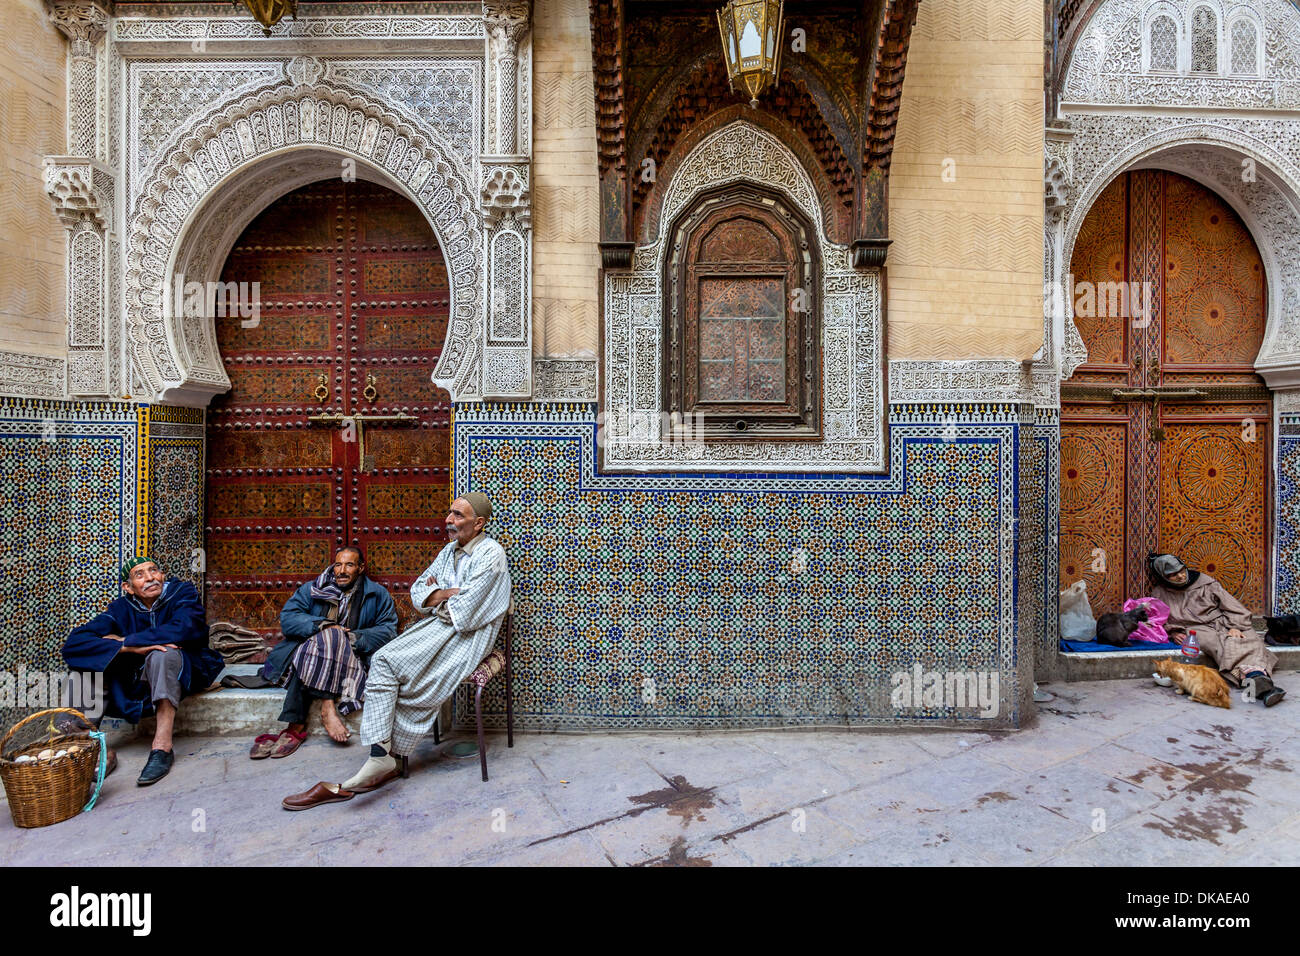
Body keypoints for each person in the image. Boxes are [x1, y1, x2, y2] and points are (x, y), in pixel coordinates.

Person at [283, 492, 510, 810]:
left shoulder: (491, 554)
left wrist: (440, 600)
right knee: (387, 661)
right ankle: (384, 756)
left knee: (386, 660)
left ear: (479, 523)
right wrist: (444, 594)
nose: (449, 520)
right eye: (449, 513)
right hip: (438, 629)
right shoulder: (449, 551)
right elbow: (419, 592)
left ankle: (382, 758)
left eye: (458, 515)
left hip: (468, 637)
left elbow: (468, 612)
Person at [62, 557, 223, 785]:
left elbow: (184, 628)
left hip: (186, 671)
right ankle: (83, 746)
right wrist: (126, 648)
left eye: (154, 571)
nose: (150, 578)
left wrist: (127, 639)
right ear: (128, 588)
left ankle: (162, 748)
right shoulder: (120, 610)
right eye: (140, 575)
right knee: (85, 666)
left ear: (162, 575)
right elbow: (74, 645)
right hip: (137, 682)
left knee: (163, 654)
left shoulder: (182, 593)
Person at [250, 546, 399, 758]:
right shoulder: (312, 589)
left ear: (361, 568)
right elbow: (289, 619)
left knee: (333, 640)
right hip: (309, 653)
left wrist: (353, 638)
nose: (342, 570)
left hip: (352, 656)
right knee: (321, 643)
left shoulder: (376, 594)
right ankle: (327, 706)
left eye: (349, 565)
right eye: (338, 564)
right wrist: (323, 626)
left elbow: (388, 630)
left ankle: (295, 726)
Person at [1147, 553, 1286, 707]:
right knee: (1221, 645)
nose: (1180, 576)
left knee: (1248, 637)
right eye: (1173, 575)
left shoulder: (1205, 583)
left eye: (1181, 570)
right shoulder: (1160, 593)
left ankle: (1257, 681)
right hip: (1196, 629)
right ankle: (1258, 678)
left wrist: (1235, 626)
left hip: (1223, 621)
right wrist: (1173, 633)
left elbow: (1232, 606)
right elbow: (1158, 620)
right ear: (1164, 577)